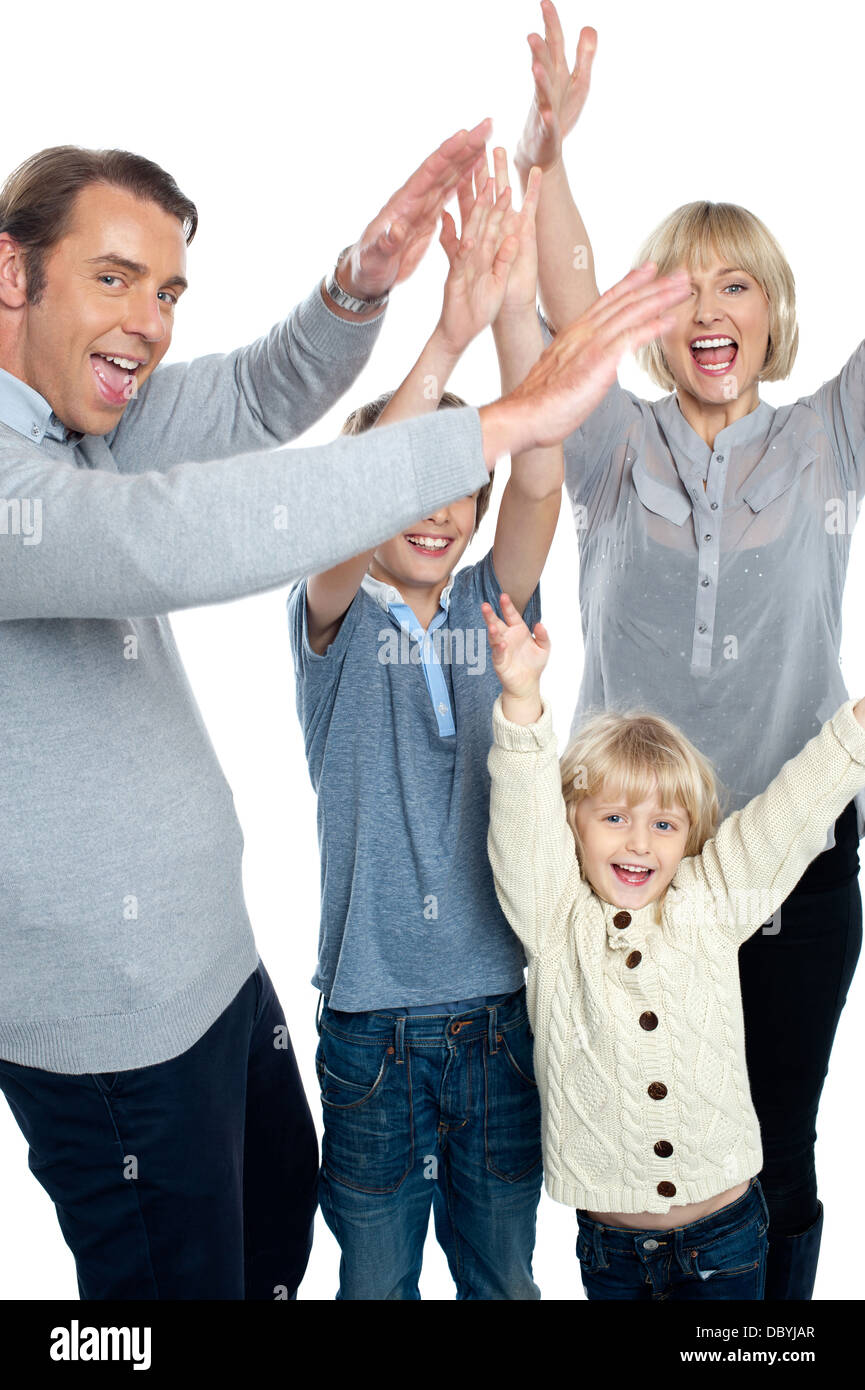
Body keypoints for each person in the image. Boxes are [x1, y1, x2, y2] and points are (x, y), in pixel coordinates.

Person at [0, 127, 689, 1298]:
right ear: (11, 273)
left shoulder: (82, 425)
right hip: (121, 1030)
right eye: (114, 278)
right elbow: (195, 532)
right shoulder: (60, 498)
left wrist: (378, 287)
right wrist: (504, 410)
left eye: (168, 290)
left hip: (225, 983)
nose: (151, 323)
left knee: (286, 1252)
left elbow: (261, 396)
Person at [514, 0, 865, 1298]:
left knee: (779, 1137)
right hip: (626, 864)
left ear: (774, 312)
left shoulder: (831, 435)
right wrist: (547, 155)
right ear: (648, 319)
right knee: (646, 1154)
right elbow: (564, 301)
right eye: (680, 286)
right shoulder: (611, 444)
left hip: (795, 862)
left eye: (737, 283)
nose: (710, 309)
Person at [289, 150, 558, 1300]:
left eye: (459, 484)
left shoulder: (496, 598)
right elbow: (365, 499)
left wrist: (505, 317)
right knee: (377, 1283)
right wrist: (439, 335)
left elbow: (538, 474)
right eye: (416, 480)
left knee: (502, 1276)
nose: (441, 509)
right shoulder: (332, 610)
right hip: (370, 1032)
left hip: (498, 1014)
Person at [481, 591, 865, 1300]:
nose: (637, 841)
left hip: (725, 1241)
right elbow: (522, 823)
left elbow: (793, 810)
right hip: (611, 1253)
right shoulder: (555, 918)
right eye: (615, 816)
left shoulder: (710, 898)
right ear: (575, 823)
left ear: (689, 836)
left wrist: (855, 729)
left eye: (664, 825)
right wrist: (523, 704)